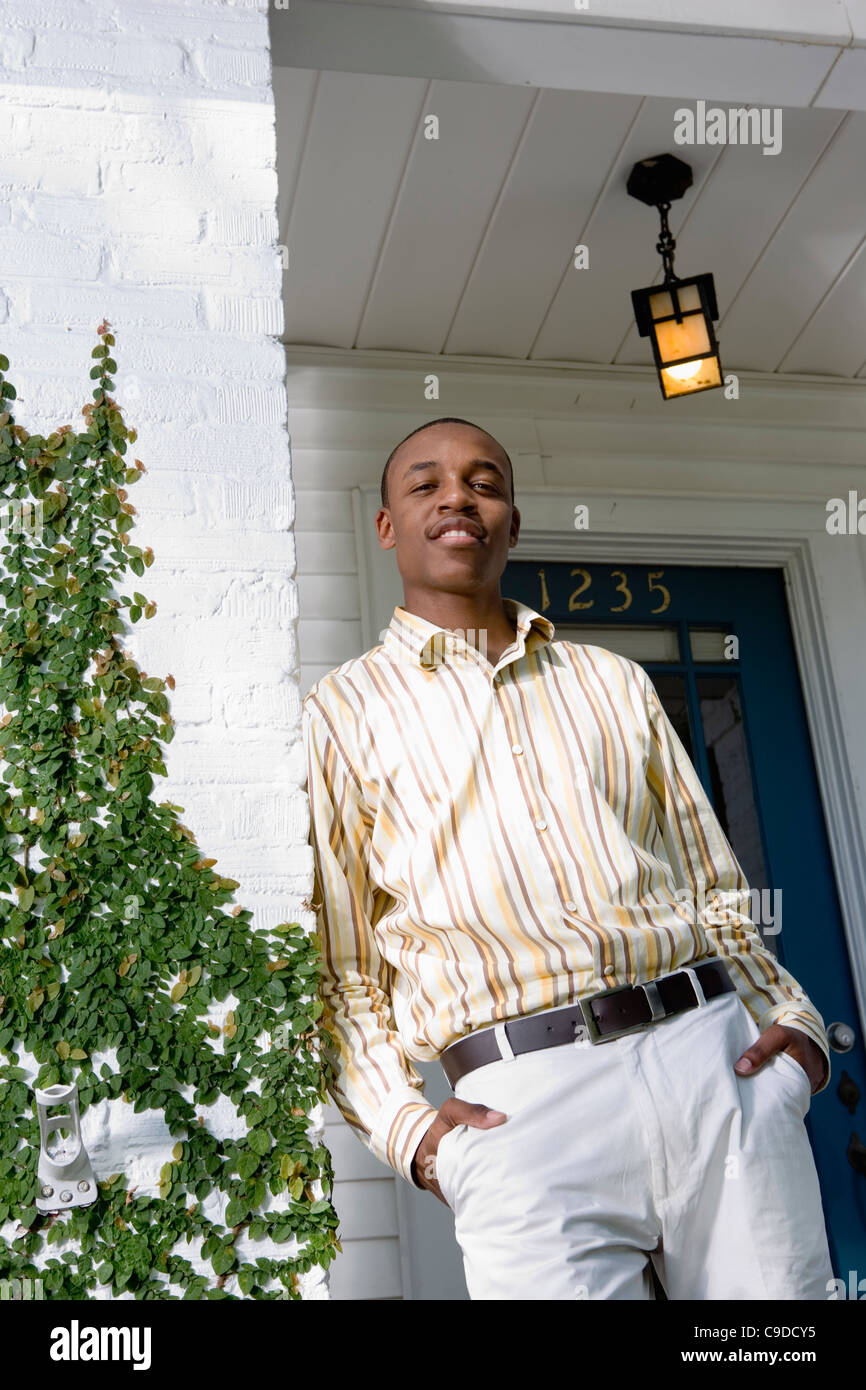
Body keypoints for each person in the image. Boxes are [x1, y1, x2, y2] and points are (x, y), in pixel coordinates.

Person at [301, 416, 834, 1300]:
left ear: (512, 519)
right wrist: (414, 1133)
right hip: (522, 1107)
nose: (458, 498)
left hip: (714, 1064)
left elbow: (712, 885)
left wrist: (796, 1028)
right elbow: (344, 971)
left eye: (484, 481)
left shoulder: (611, 680)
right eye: (425, 484)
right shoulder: (341, 714)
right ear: (388, 525)